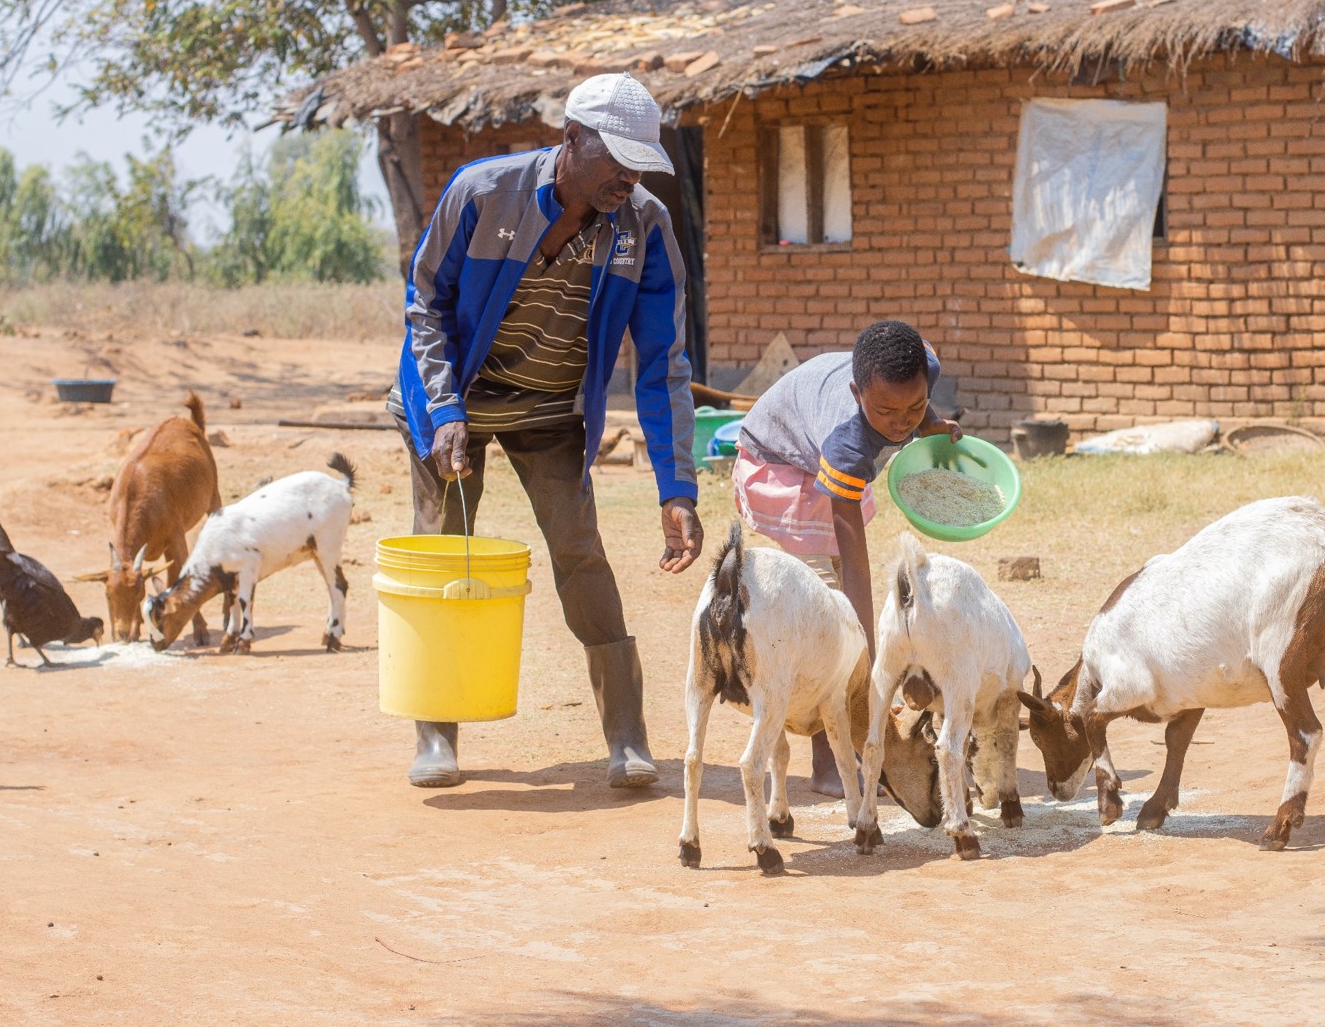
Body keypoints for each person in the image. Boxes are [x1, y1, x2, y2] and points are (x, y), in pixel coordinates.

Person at [388, 72, 703, 790]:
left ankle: (626, 734)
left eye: (638, 162)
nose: (628, 176)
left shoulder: (644, 225)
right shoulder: (481, 193)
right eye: (615, 159)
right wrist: (443, 414)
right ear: (570, 140)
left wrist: (676, 486)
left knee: (578, 549)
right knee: (446, 552)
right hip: (451, 405)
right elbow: (425, 307)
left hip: (552, 412)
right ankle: (436, 734)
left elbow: (662, 365)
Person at [731, 320, 960, 796]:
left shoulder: (924, 363)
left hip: (813, 444)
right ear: (858, 394)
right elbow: (854, 563)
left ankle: (850, 733)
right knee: (827, 615)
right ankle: (829, 761)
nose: (901, 423)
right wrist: (869, 662)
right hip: (779, 464)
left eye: (914, 406)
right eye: (887, 411)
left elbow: (909, 401)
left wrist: (930, 422)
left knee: (839, 612)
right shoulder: (846, 443)